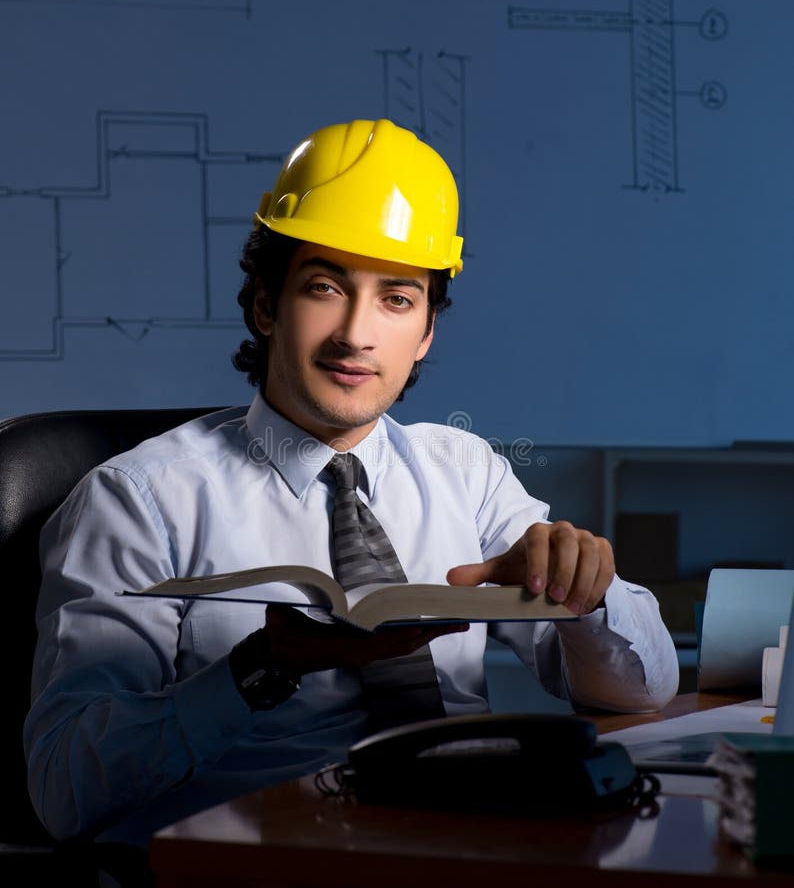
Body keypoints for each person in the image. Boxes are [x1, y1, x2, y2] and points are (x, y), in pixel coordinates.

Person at [24, 119, 679, 853]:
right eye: (325, 287)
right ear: (266, 304)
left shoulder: (466, 473)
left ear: (427, 330)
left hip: (465, 849)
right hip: (250, 868)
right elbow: (63, 789)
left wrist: (587, 600)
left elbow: (641, 691)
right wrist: (257, 672)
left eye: (397, 299)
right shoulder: (139, 501)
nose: (356, 335)